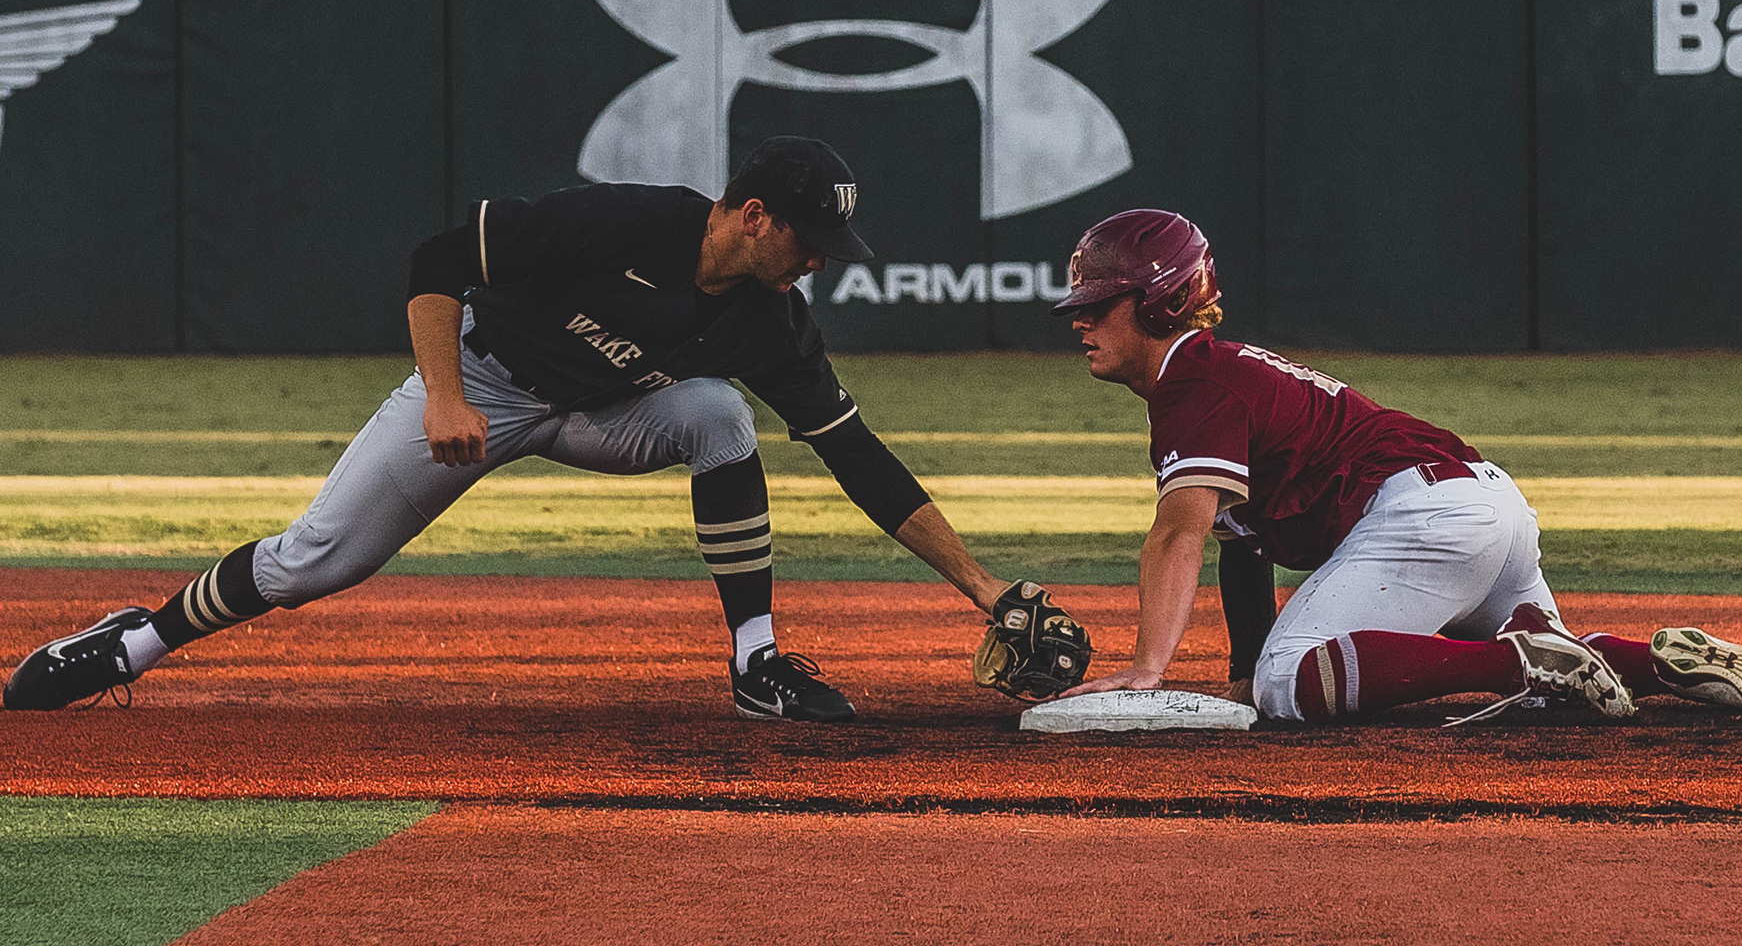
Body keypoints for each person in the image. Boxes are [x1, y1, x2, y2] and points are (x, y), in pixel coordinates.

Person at [6, 136, 1083, 721]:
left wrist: (981, 587)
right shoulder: (628, 221)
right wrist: (442, 393)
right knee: (314, 561)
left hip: (596, 416)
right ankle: (131, 642)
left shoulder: (772, 322)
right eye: (806, 240)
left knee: (716, 415)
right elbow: (439, 263)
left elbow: (858, 456)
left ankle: (757, 664)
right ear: (752, 214)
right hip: (481, 377)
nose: (815, 262)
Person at [1050, 209, 1742, 724]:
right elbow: (1239, 544)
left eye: (1101, 301)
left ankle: (1513, 661)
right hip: (1485, 507)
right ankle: (1658, 665)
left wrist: (1150, 669)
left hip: (1423, 517)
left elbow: (1176, 536)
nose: (1080, 318)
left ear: (1161, 302)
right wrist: (1244, 669)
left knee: (1295, 686)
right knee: (1558, 692)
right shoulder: (1214, 374)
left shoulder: (1195, 383)